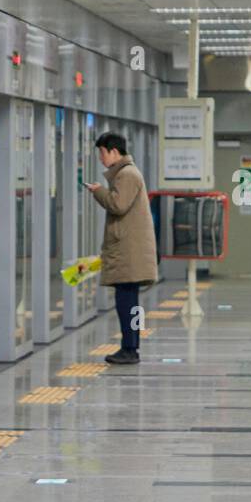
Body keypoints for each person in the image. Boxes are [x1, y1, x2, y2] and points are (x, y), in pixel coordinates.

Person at [86, 132, 157, 365]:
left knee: (126, 302)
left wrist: (98, 191)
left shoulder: (127, 174)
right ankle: (131, 347)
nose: (100, 158)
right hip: (131, 249)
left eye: (102, 153)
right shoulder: (128, 173)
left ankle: (130, 348)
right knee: (131, 302)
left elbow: (118, 204)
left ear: (114, 152)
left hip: (129, 250)